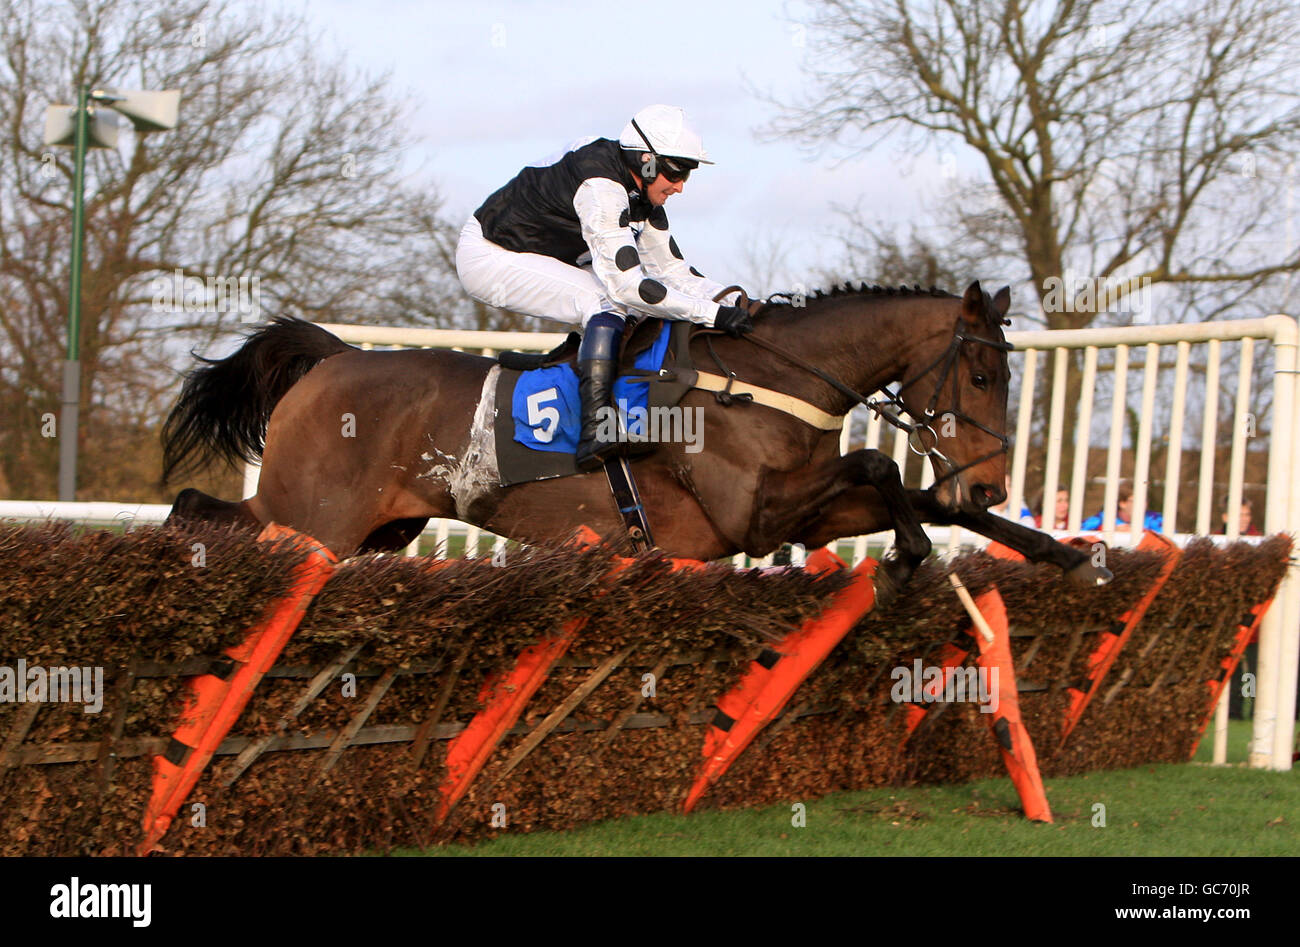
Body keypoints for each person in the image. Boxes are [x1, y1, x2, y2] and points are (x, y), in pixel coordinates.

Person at [456, 104, 753, 471]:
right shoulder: (601, 187)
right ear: (646, 161)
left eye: (687, 175)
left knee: (639, 306)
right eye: (676, 173)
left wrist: (741, 304)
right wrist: (712, 313)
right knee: (606, 301)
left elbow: (673, 273)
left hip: (540, 252)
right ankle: (595, 429)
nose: (679, 186)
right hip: (490, 253)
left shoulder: (642, 196)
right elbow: (628, 286)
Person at [1080, 481, 1162, 532]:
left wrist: (1142, 532)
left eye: (1145, 500)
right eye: (1137, 501)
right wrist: (1109, 530)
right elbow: (1079, 532)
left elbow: (1169, 540)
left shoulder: (1156, 519)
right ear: (1122, 503)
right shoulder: (1103, 518)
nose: (1143, 505)